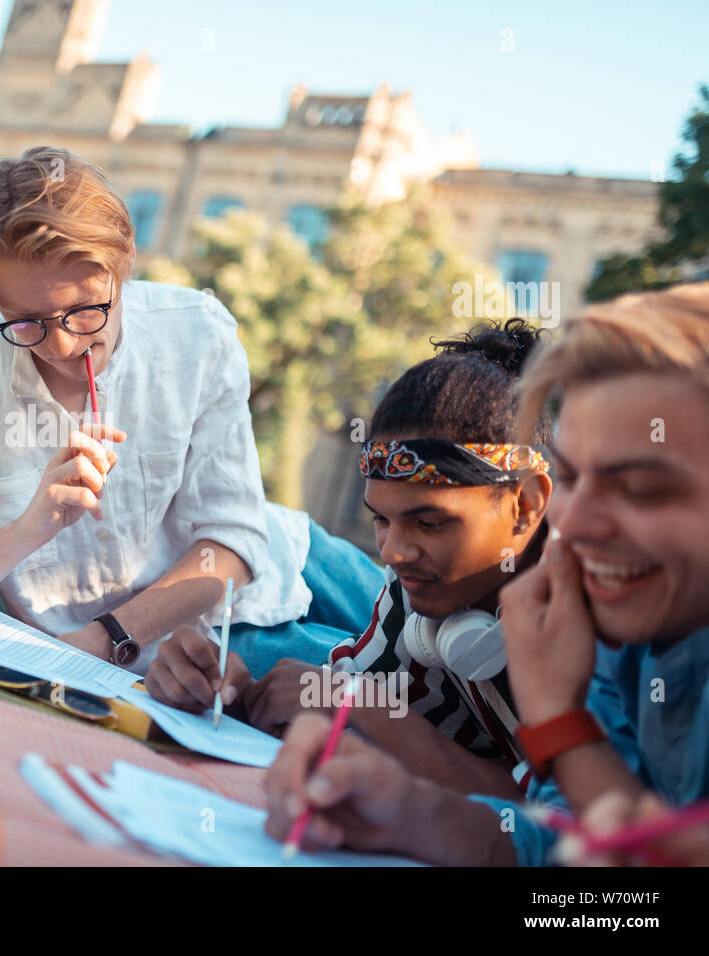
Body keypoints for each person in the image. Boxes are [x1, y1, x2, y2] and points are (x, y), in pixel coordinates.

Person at [0, 145, 382, 669]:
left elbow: (236, 539)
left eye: (84, 311)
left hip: (299, 560)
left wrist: (109, 638)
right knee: (404, 701)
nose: (60, 347)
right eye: (24, 321)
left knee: (447, 640)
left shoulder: (196, 333)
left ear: (123, 266)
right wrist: (26, 530)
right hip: (201, 645)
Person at [262, 283, 709, 866]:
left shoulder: (599, 623)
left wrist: (558, 725)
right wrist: (413, 811)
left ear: (525, 505)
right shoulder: (624, 633)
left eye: (642, 489)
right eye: (573, 478)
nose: (573, 523)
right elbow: (569, 844)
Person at [146, 320, 552, 798]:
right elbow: (328, 697)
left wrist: (359, 702)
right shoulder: (416, 585)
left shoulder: (599, 623)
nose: (393, 552)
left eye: (430, 522)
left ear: (524, 505)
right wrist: (222, 695)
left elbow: (556, 819)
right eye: (381, 519)